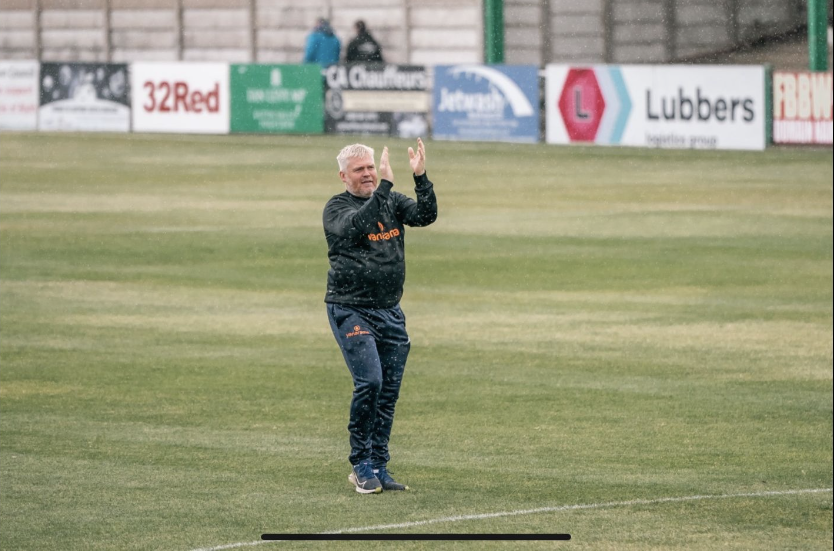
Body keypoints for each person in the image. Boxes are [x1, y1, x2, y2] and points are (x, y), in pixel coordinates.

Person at [323, 139, 437, 494]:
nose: (368, 174)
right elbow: (359, 224)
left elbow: (425, 215)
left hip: (389, 311)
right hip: (350, 308)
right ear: (344, 176)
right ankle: (361, 464)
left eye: (371, 167)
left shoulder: (390, 201)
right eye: (360, 170)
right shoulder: (336, 208)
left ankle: (380, 465)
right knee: (370, 382)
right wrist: (386, 186)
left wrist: (420, 177)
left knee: (387, 392)